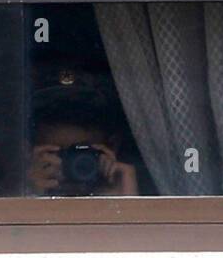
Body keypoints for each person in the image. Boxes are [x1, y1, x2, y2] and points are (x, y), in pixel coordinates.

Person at [27, 66, 140, 197]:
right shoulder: (23, 191)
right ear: (30, 152)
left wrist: (125, 199)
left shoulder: (119, 188)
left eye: (82, 153)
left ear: (112, 147)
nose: (72, 166)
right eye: (59, 154)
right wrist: (29, 194)